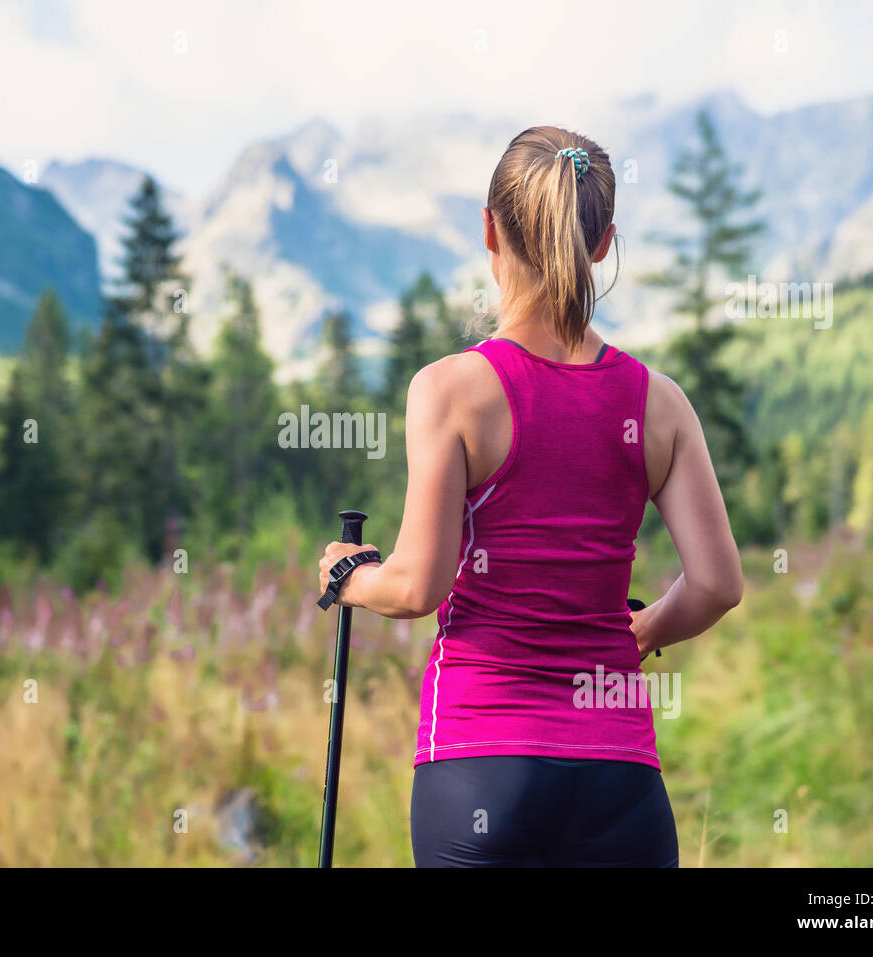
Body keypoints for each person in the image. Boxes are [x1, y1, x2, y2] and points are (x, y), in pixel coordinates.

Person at [316, 126, 743, 867]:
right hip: (620, 785)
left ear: (489, 228)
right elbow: (716, 584)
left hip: (482, 765)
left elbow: (418, 585)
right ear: (604, 241)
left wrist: (349, 576)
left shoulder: (450, 389)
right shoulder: (660, 404)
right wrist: (640, 632)